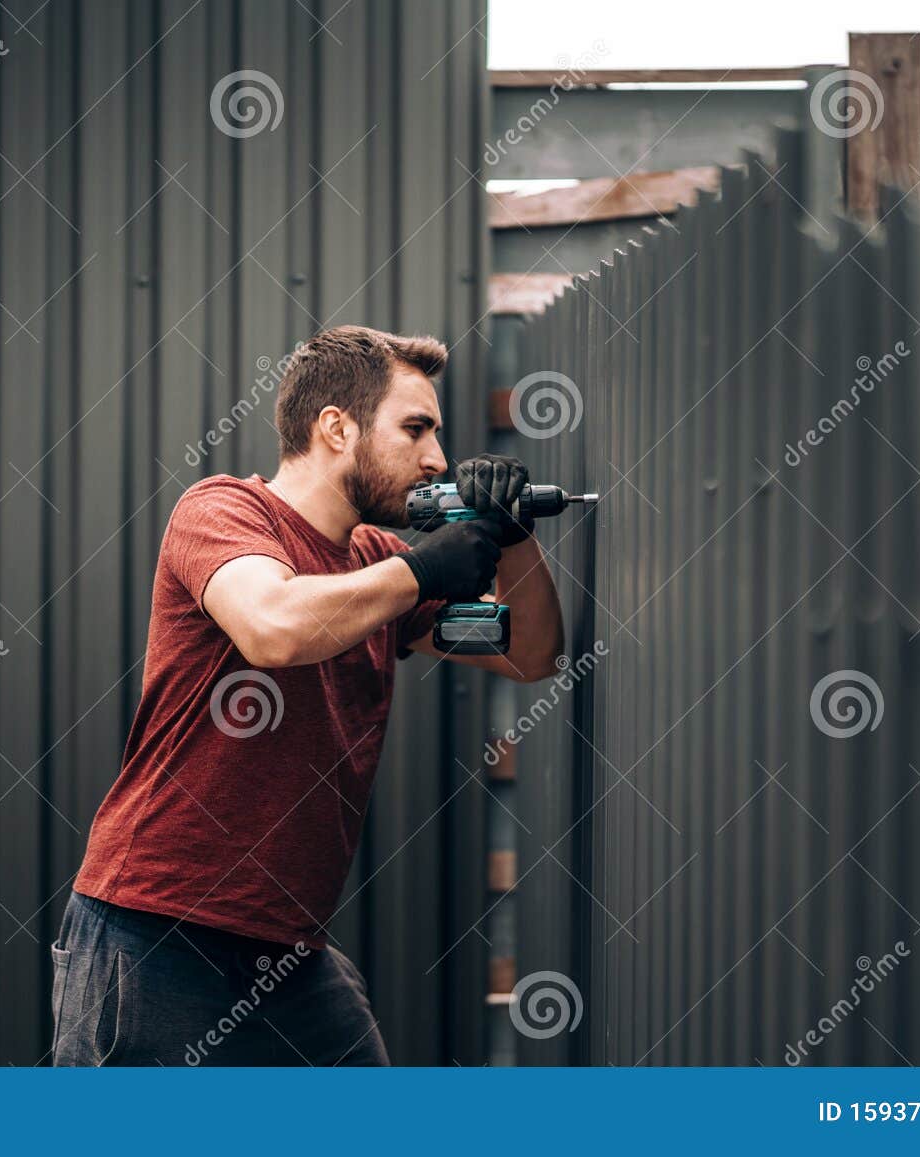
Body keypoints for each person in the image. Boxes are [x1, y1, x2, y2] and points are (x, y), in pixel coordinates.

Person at [50, 324, 565, 1066]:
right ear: (335, 427)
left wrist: (510, 533)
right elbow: (273, 626)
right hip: (152, 932)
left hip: (286, 958)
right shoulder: (222, 511)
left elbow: (532, 654)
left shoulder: (376, 560)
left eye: (439, 436)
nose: (438, 459)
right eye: (416, 428)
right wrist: (422, 573)